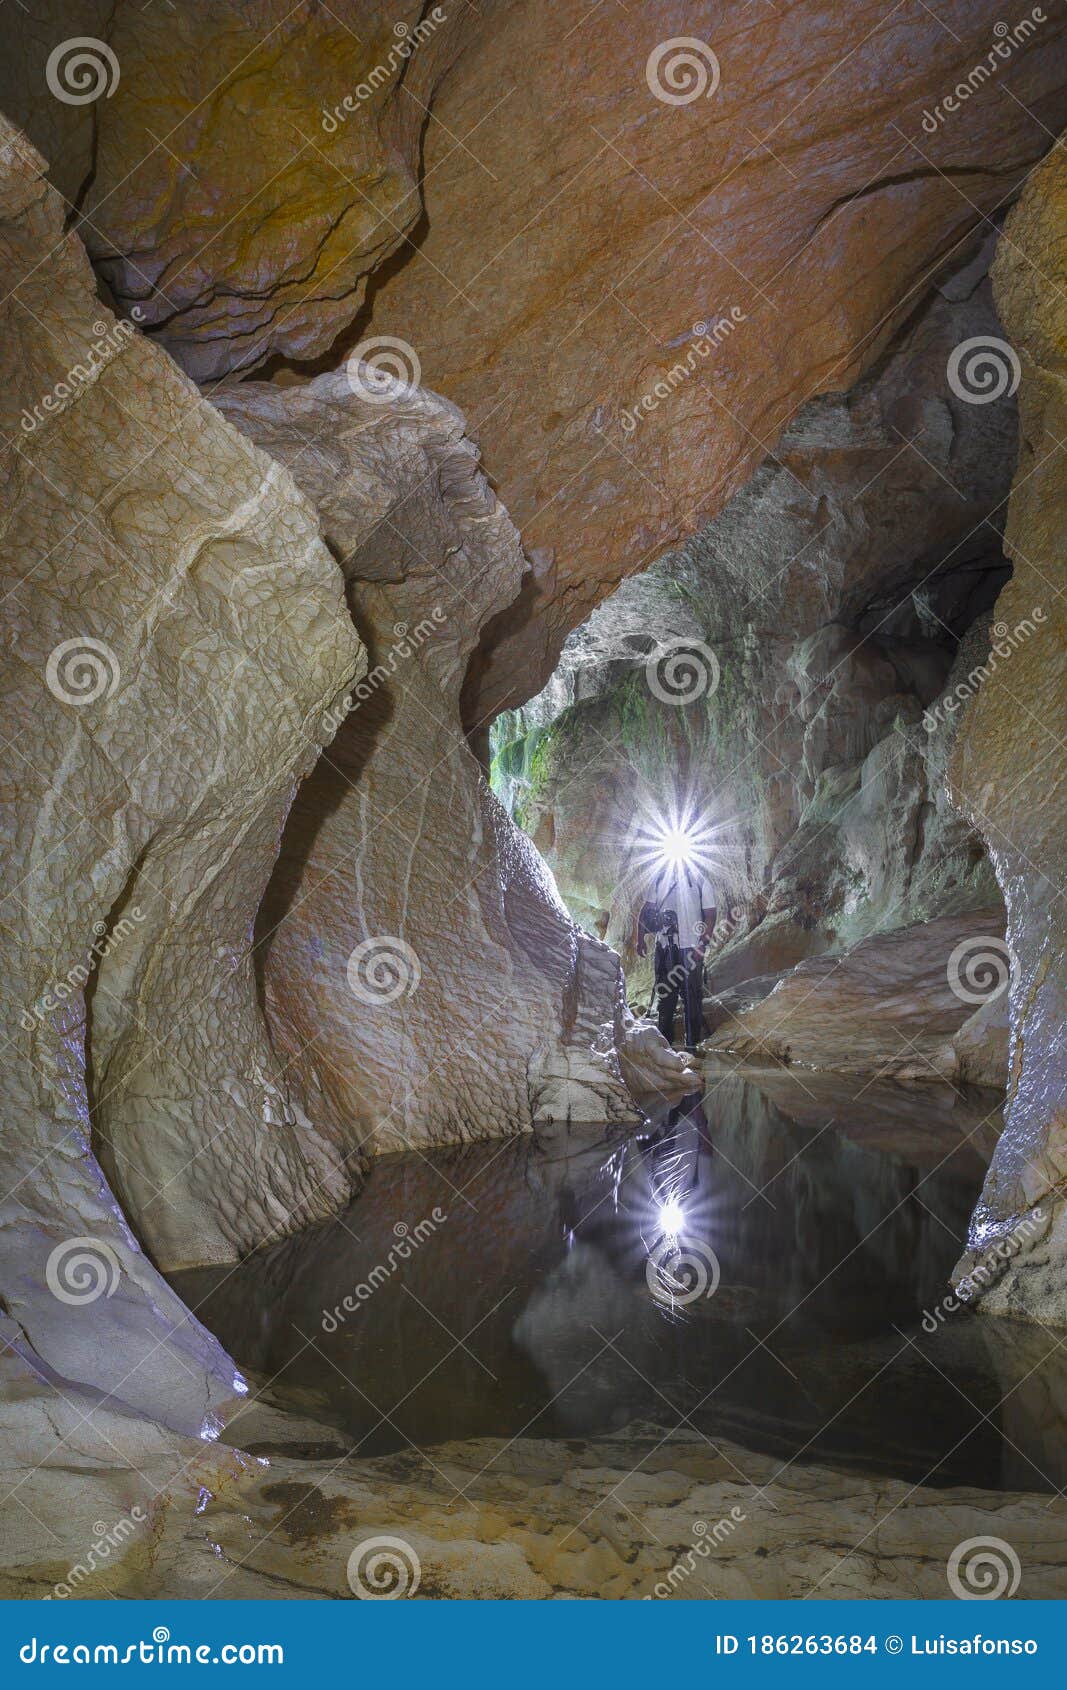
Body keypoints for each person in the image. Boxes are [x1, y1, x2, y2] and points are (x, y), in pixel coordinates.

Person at [636, 860, 715, 1051]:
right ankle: (665, 1047)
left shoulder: (701, 882)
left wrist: (702, 944)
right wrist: (639, 938)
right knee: (666, 998)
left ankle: (692, 1046)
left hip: (691, 948)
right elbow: (646, 910)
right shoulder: (659, 880)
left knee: (692, 997)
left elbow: (710, 914)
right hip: (664, 947)